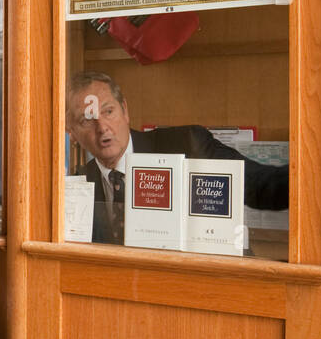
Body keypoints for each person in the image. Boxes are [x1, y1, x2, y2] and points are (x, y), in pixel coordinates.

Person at [64, 70, 289, 244]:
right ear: (71, 133)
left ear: (125, 110)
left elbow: (263, 187)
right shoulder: (79, 185)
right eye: (87, 120)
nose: (103, 128)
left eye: (109, 112)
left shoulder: (186, 145)